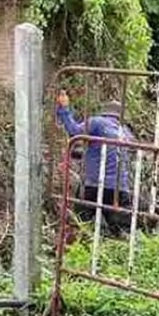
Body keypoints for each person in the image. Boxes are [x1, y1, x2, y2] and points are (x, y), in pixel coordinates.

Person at [55, 90, 135, 236]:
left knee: (82, 223)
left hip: (95, 186)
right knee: (122, 232)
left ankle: (82, 248)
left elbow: (74, 131)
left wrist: (64, 108)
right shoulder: (126, 133)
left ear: (104, 113)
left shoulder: (97, 123)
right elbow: (109, 154)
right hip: (120, 189)